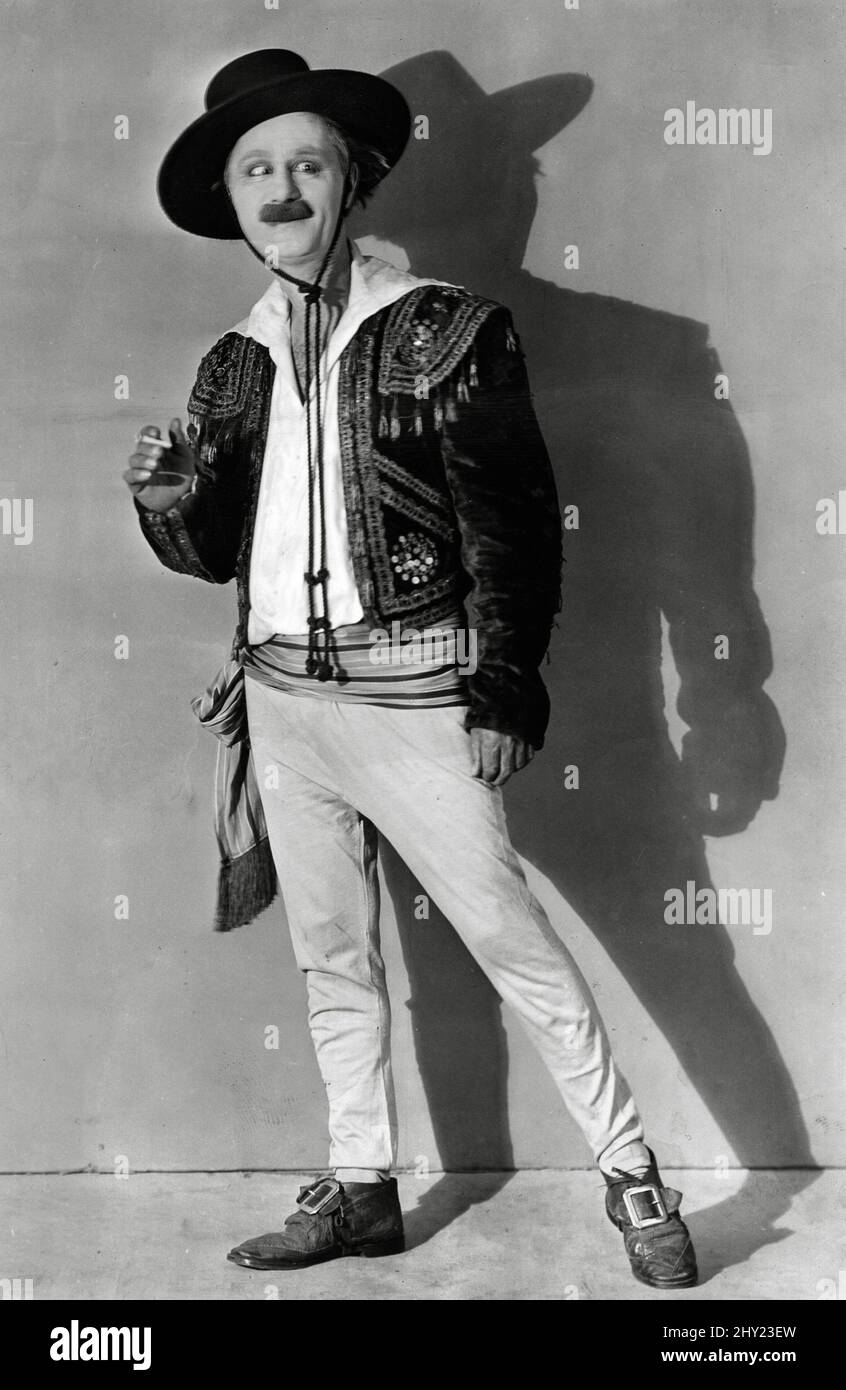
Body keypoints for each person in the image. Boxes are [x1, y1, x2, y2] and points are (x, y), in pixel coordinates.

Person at [125, 47, 698, 1288]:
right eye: (255, 171)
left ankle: (633, 1172)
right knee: (334, 958)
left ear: (357, 179)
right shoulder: (232, 360)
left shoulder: (450, 330)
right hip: (282, 704)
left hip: (419, 694)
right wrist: (168, 503)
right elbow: (214, 544)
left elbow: (514, 523)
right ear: (230, 200)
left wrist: (505, 687)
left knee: (515, 944)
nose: (280, 191)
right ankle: (365, 1187)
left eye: (306, 165)